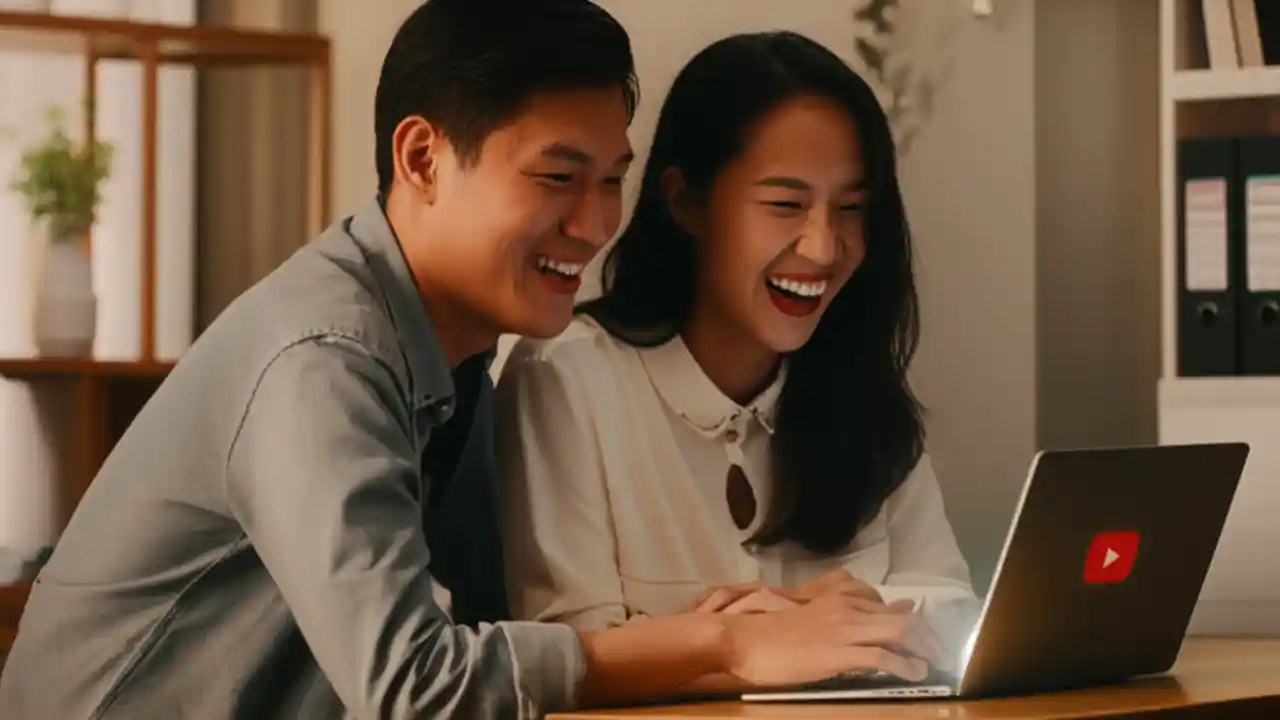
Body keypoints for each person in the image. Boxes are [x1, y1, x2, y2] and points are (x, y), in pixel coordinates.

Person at [0, 5, 946, 719]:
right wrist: (732, 648)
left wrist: (759, 623)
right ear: (421, 158)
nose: (595, 224)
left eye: (611, 181)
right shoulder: (325, 358)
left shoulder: (454, 358)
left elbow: (491, 640)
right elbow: (416, 686)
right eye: (557, 178)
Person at [497, 30, 981, 679]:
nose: (824, 247)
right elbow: (576, 659)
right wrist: (780, 635)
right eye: (786, 205)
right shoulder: (566, 378)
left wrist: (780, 619)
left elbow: (954, 619)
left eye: (852, 209)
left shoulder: (856, 386)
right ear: (685, 202)